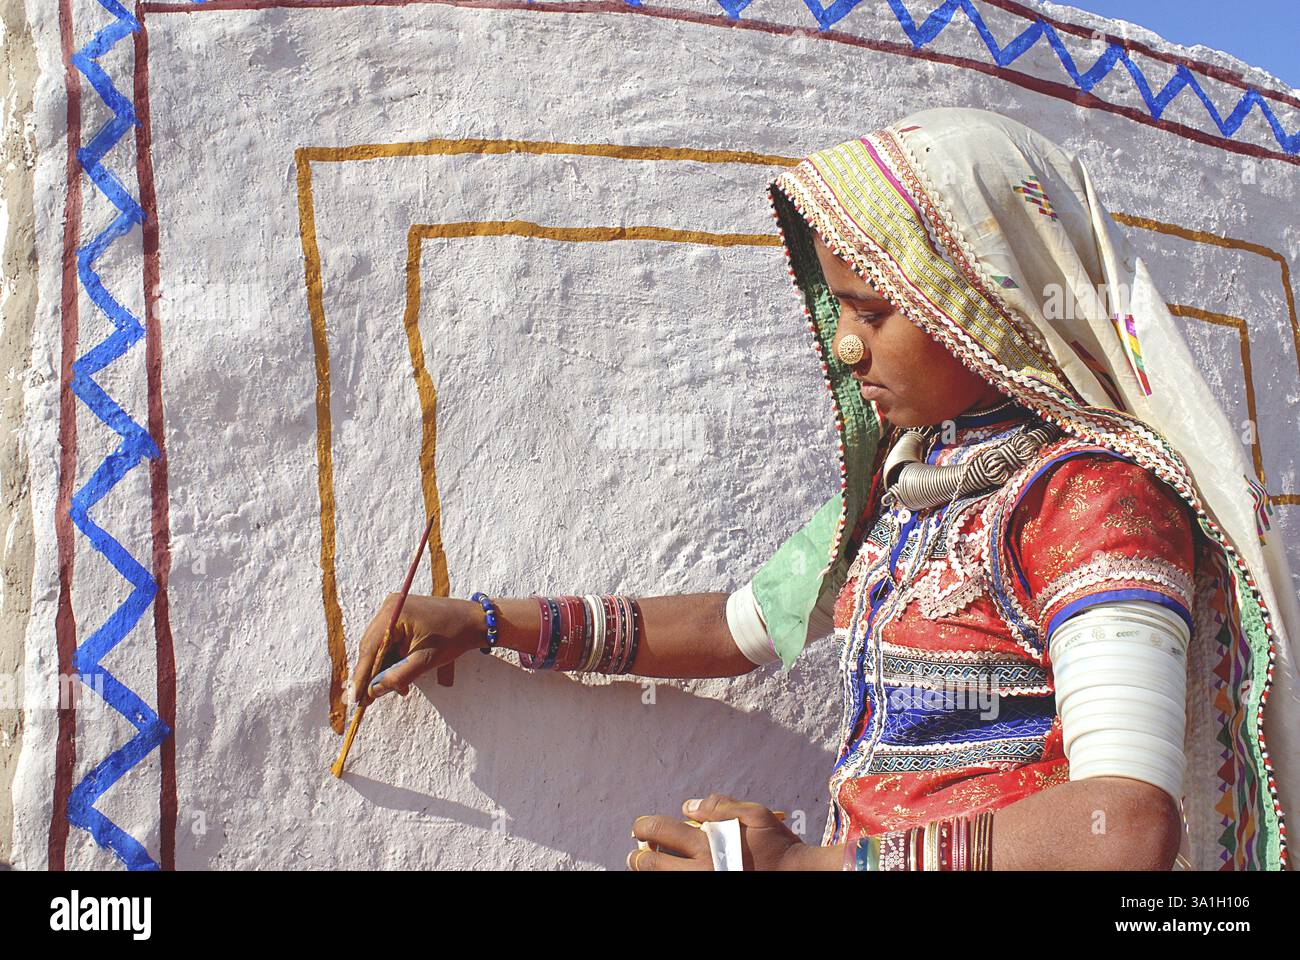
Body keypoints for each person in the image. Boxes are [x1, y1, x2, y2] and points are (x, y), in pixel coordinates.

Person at [348, 108, 1300, 871]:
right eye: (840, 308)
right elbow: (735, 628)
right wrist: (485, 622)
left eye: (875, 312)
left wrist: (807, 868)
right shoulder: (910, 489)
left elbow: (1125, 830)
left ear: (985, 300)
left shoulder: (1093, 505)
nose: (847, 345)